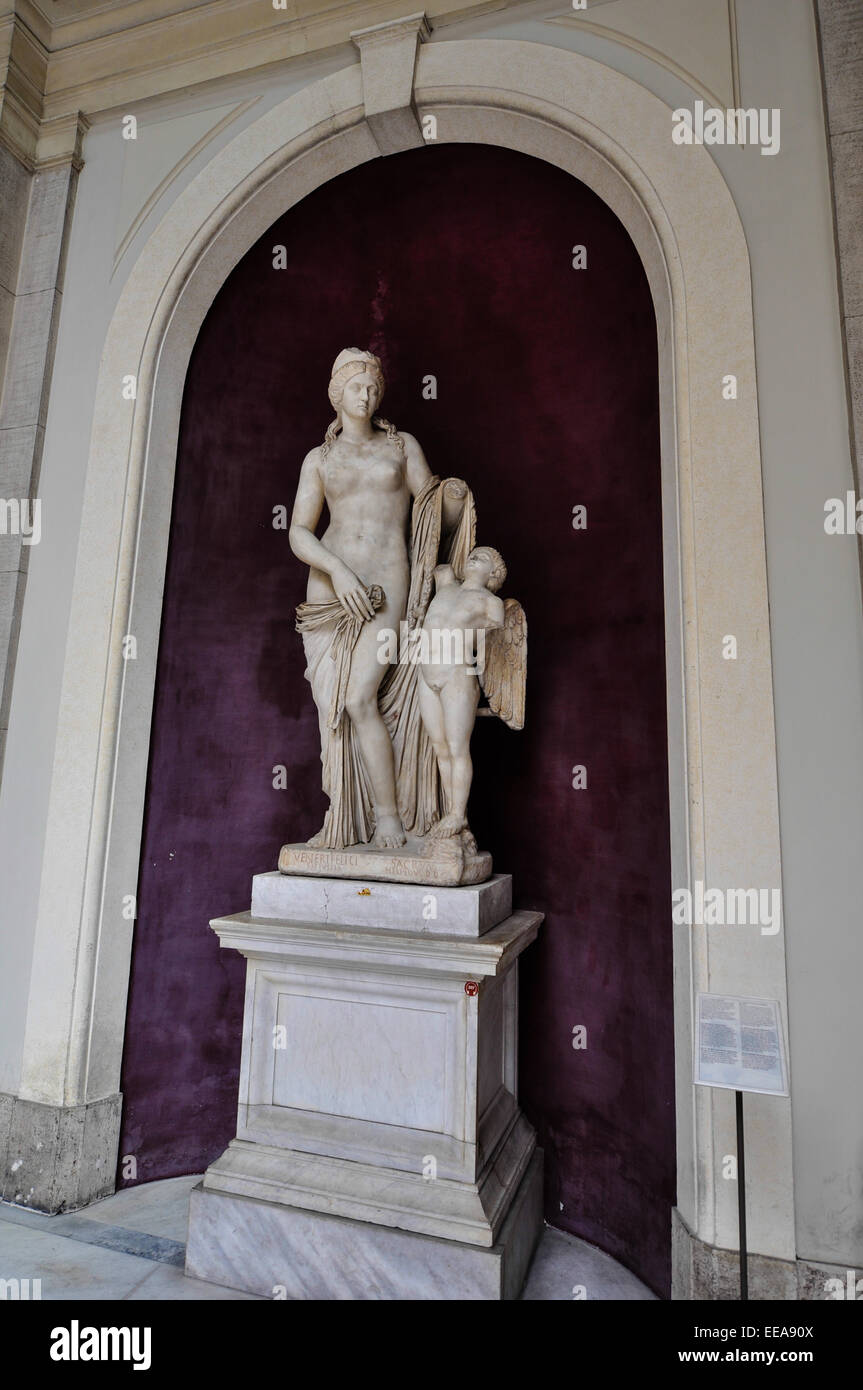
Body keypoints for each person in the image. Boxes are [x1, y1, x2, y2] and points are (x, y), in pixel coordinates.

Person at [289, 348, 473, 849]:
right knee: (336, 707)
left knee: (358, 695)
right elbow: (301, 533)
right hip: (331, 587)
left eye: (372, 386)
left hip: (388, 582)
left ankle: (388, 816)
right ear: (337, 394)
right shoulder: (320, 459)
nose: (366, 394)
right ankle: (344, 815)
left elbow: (434, 513)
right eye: (356, 386)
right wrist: (338, 571)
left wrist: (453, 499)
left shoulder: (401, 446)